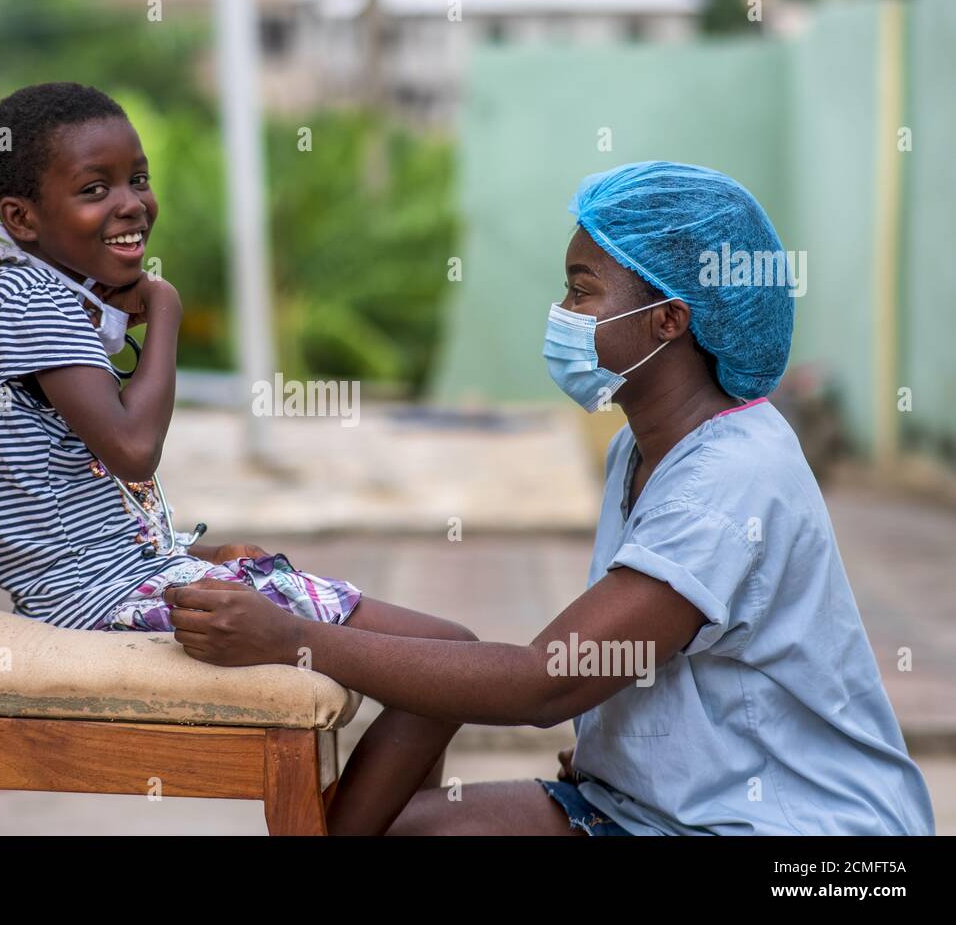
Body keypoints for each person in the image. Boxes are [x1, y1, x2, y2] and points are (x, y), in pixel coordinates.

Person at [165, 161, 936, 836]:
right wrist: (627, 753)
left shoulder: (731, 479)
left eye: (581, 292)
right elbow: (644, 657)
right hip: (657, 807)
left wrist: (291, 639)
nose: (561, 316)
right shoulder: (644, 445)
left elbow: (548, 680)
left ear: (669, 320)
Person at [0, 82, 479, 835]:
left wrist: (192, 552)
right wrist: (163, 307)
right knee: (449, 662)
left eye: (137, 179)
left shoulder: (32, 296)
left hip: (120, 578)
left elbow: (73, 489)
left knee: (436, 661)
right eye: (94, 189)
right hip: (101, 606)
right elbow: (134, 451)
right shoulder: (32, 301)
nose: (131, 203)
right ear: (22, 218)